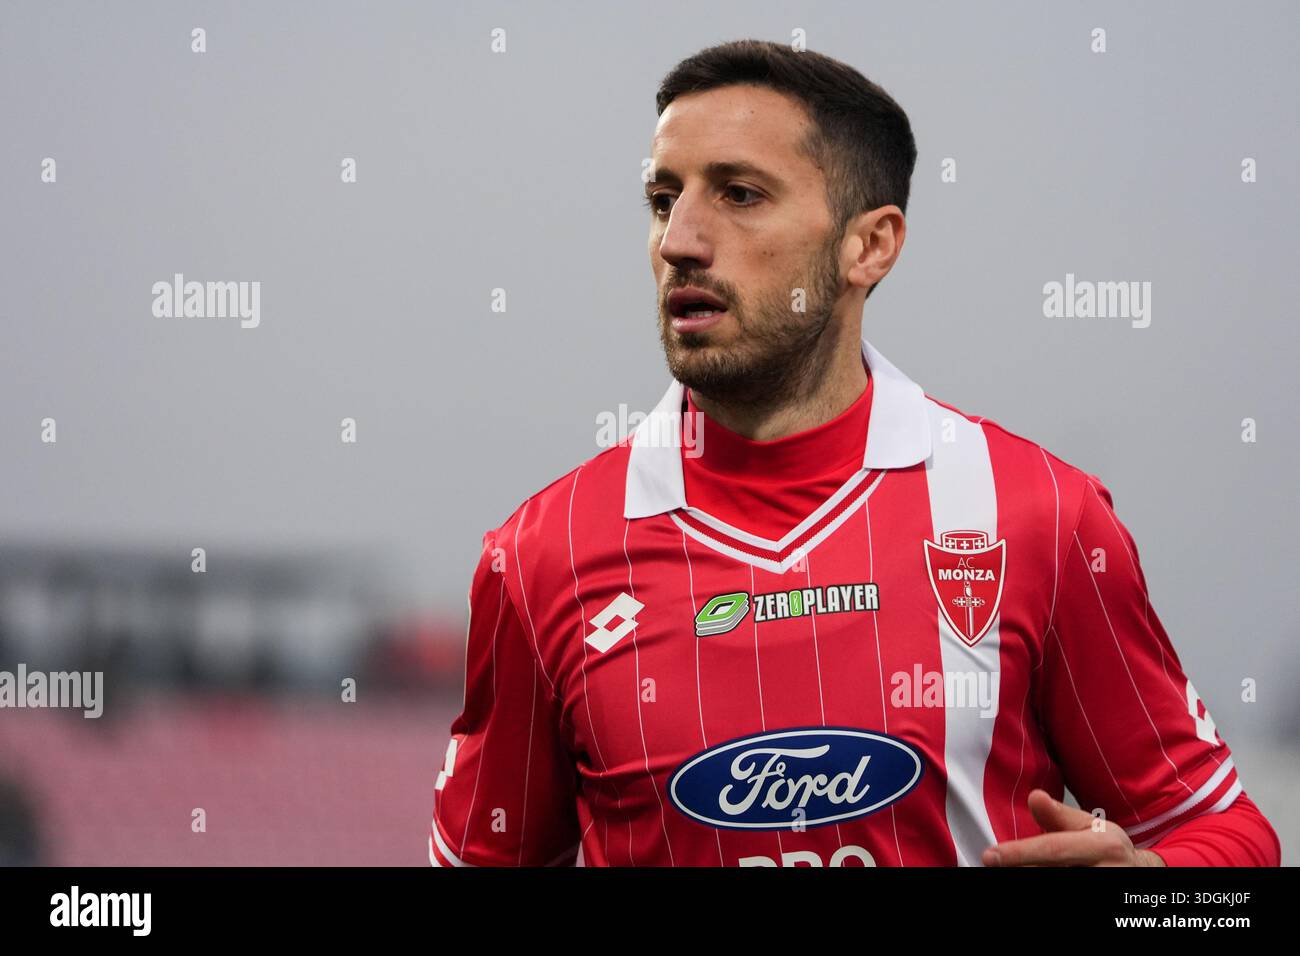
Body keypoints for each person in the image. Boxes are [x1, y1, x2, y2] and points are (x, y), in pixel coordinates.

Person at [428, 39, 1279, 867]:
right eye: (662, 199)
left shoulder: (1041, 518)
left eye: (740, 194)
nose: (679, 240)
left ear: (869, 246)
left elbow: (1226, 834)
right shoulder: (540, 556)